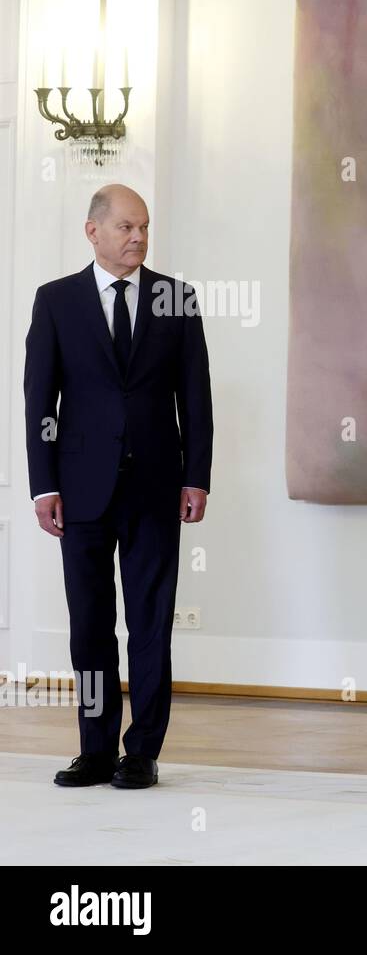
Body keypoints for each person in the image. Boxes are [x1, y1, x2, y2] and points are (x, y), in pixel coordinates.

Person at [24, 184, 214, 790]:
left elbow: (197, 400)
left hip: (157, 487)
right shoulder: (55, 301)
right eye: (127, 227)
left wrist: (197, 476)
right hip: (79, 491)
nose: (138, 238)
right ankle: (96, 749)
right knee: (90, 625)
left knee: (151, 621)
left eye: (145, 228)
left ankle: (144, 753)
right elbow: (39, 402)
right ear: (93, 231)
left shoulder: (175, 299)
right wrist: (42, 484)